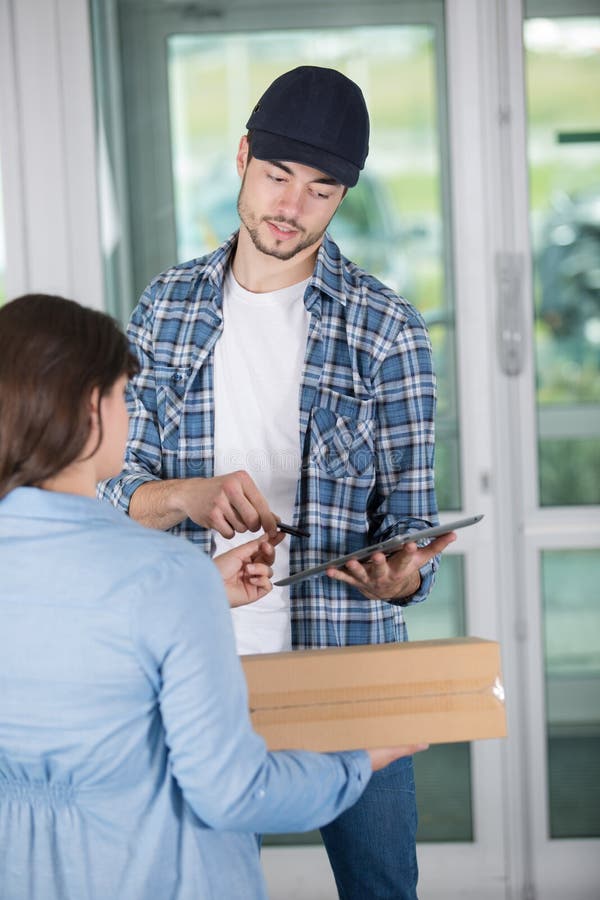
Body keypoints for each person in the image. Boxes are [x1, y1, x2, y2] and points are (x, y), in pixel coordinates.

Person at [100, 66, 456, 899]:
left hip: (351, 672)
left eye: (320, 189)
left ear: (344, 199)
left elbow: (413, 530)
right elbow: (114, 489)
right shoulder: (166, 306)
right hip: (199, 668)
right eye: (276, 177)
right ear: (243, 157)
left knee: (381, 889)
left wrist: (402, 575)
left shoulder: (388, 330)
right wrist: (189, 496)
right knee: (202, 886)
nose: (290, 207)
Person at [0, 293, 427, 900]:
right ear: (91, 407)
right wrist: (360, 761)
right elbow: (233, 790)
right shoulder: (167, 576)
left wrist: (204, 596)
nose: (131, 410)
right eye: (124, 395)